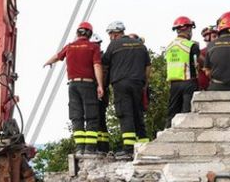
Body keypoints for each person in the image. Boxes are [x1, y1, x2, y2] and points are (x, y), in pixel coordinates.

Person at [44, 22, 105, 156]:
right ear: (89, 34)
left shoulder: (70, 46)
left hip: (72, 85)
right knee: (91, 116)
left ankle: (79, 148)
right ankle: (90, 148)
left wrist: (48, 62)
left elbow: (57, 56)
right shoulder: (93, 47)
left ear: (77, 33)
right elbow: (97, 66)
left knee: (76, 116)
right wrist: (100, 85)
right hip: (88, 84)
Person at [102, 21, 151, 159]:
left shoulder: (114, 45)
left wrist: (103, 85)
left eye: (110, 34)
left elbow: (104, 65)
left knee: (125, 115)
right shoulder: (140, 45)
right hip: (138, 84)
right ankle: (144, 147)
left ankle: (128, 149)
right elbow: (148, 67)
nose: (110, 37)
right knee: (138, 114)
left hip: (121, 84)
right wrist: (145, 84)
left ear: (114, 34)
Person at [164, 16, 200, 126]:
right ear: (188, 29)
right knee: (186, 114)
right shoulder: (191, 45)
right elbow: (197, 64)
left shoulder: (169, 46)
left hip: (174, 84)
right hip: (188, 82)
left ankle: (167, 131)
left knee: (172, 113)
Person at [91, 33, 111, 154]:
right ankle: (103, 146)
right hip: (101, 92)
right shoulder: (102, 58)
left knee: (97, 120)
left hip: (98, 92)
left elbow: (103, 76)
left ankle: (100, 147)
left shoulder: (100, 59)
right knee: (100, 121)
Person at [197, 25, 217, 91]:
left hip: (217, 87)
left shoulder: (222, 52)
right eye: (214, 36)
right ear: (207, 38)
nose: (217, 38)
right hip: (204, 88)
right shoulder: (201, 52)